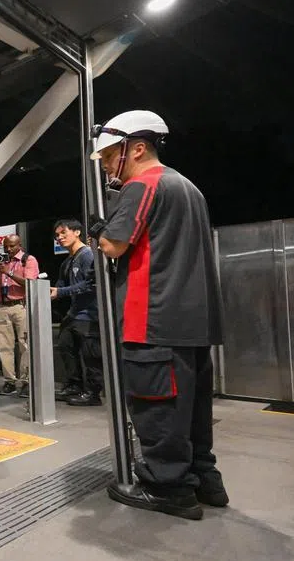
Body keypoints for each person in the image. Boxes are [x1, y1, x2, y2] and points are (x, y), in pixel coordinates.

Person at [92, 110, 227, 521]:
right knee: (192, 409)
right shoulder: (189, 187)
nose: (110, 167)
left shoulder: (145, 184)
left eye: (112, 155)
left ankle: (168, 488)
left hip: (152, 318)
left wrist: (99, 229)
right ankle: (205, 479)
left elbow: (114, 246)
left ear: (136, 147)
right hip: (193, 321)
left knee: (159, 409)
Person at [51, 219, 102, 406]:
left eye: (64, 232)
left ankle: (93, 393)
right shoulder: (67, 262)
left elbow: (91, 284)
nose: (60, 237)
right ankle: (74, 386)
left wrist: (61, 292)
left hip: (90, 314)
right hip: (74, 314)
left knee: (91, 356)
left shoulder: (87, 255)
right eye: (57, 235)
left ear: (77, 232)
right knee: (65, 346)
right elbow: (62, 285)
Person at [0, 234, 39, 397]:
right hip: (2, 306)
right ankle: (9, 381)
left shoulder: (28, 260)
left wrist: (8, 273)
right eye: (6, 246)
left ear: (20, 245)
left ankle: (26, 382)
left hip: (20, 305)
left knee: (24, 344)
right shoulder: (1, 261)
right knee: (4, 346)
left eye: (11, 246)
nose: (8, 249)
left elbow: (30, 284)